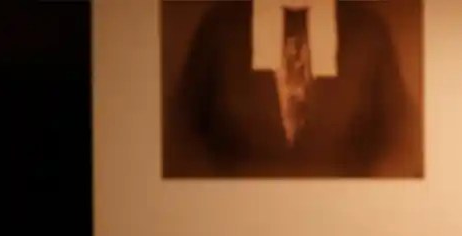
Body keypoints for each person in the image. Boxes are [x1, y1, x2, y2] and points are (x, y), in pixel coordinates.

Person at [164, 0, 420, 178]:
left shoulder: (368, 31)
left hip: (343, 223)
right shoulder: (219, 27)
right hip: (234, 225)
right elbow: (182, 135)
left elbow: (401, 137)